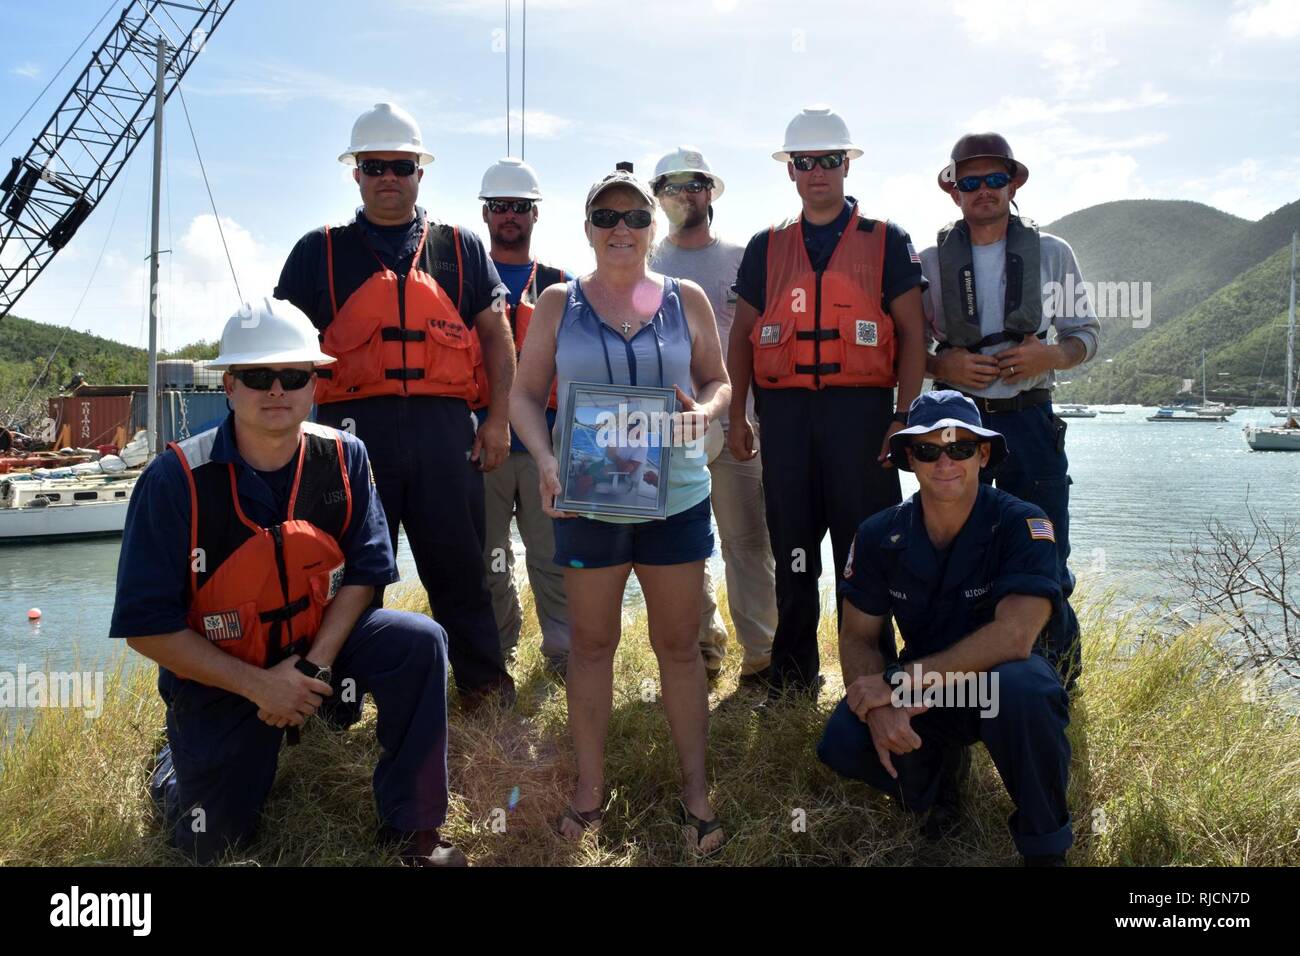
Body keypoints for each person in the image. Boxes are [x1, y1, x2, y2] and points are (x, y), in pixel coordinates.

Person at [110, 299, 463, 866]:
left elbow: (365, 575)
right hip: (225, 671)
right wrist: (260, 686)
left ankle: (413, 830)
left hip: (315, 652)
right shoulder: (175, 480)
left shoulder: (345, 457)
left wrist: (308, 669)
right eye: (256, 376)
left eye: (293, 375)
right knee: (211, 842)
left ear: (314, 384)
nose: (276, 389)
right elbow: (146, 629)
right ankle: (176, 766)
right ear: (229, 385)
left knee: (420, 641)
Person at [510, 163, 732, 854]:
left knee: (678, 647)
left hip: (676, 500)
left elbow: (718, 381)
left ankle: (696, 793)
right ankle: (588, 791)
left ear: (653, 226)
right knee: (591, 647)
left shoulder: (686, 296)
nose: (622, 229)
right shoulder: (556, 302)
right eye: (606, 217)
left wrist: (708, 415)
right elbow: (521, 396)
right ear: (587, 229)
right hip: (586, 504)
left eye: (636, 217)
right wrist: (546, 460)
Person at [274, 102, 516, 709]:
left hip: (443, 434)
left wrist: (498, 420)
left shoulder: (459, 248)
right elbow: (284, 350)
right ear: (355, 172)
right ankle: (337, 702)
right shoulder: (317, 253)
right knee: (344, 577)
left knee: (461, 572)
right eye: (375, 165)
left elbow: (497, 337)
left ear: (419, 173)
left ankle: (483, 688)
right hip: (350, 441)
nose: (389, 177)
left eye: (401, 166)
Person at [817, 390, 1074, 866]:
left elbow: (1015, 637)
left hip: (1002, 682)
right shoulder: (878, 535)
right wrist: (879, 711)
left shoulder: (1025, 524)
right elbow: (858, 637)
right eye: (928, 450)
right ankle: (939, 792)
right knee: (844, 741)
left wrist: (897, 682)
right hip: (931, 688)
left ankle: (1045, 845)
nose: (944, 462)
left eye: (959, 448)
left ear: (982, 454)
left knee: (1024, 689)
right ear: (909, 459)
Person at [727, 106, 928, 701]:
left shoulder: (888, 241)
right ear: (790, 171)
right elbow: (742, 337)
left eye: (829, 161)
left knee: (864, 548)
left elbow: (915, 336)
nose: (817, 172)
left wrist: (903, 417)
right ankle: (792, 676)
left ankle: (870, 679)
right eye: (805, 162)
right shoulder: (767, 246)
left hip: (862, 416)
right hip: (786, 418)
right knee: (792, 547)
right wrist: (738, 415)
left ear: (847, 165)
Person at [920, 132, 1099, 688]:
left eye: (995, 178)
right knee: (957, 557)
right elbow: (908, 349)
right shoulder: (927, 261)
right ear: (954, 192)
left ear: (1014, 182)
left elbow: (1086, 336)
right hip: (957, 428)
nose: (983, 191)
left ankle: (1059, 686)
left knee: (1046, 553)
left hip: (1030, 421)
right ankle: (961, 684)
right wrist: (942, 368)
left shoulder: (1053, 252)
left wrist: (1050, 353)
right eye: (969, 181)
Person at [649, 146, 777, 688]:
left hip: (737, 422)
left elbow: (764, 340)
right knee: (681, 545)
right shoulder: (643, 261)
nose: (685, 194)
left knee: (748, 543)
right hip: (666, 431)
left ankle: (763, 658)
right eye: (673, 186)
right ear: (659, 197)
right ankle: (704, 650)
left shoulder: (744, 257)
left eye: (694, 184)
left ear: (710, 192)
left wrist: (752, 416)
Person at [473, 157, 574, 677]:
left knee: (553, 560)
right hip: (483, 447)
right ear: (486, 214)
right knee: (491, 563)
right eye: (499, 207)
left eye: (519, 207)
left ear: (535, 214)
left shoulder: (562, 285)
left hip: (544, 448)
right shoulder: (465, 278)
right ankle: (498, 655)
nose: (509, 215)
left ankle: (563, 656)